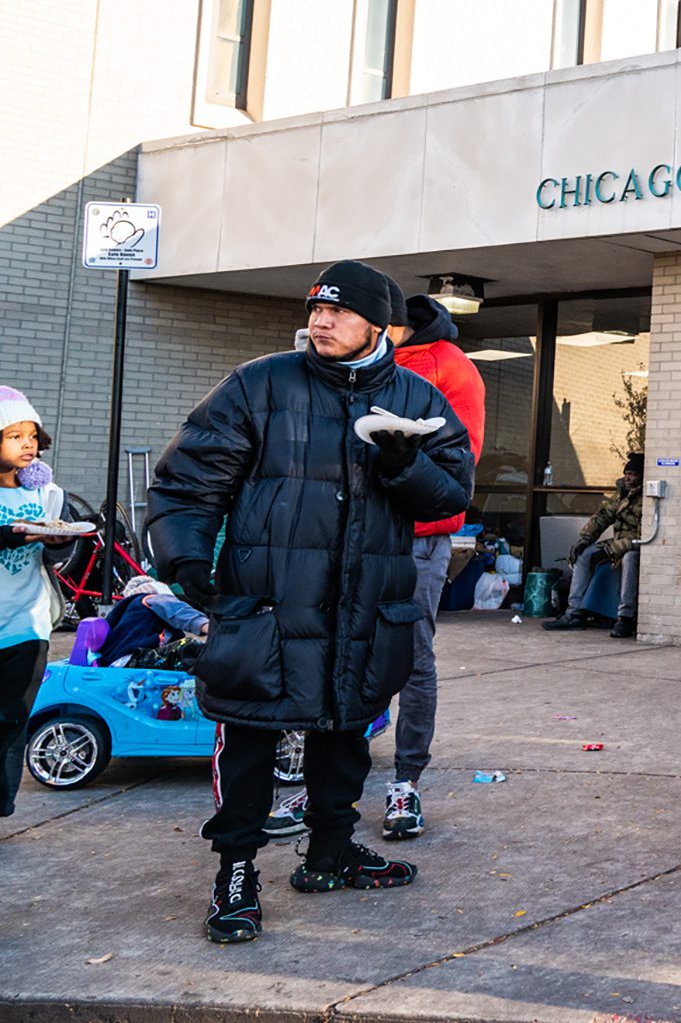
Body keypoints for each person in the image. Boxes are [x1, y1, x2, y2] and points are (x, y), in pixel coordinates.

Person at [145, 260, 473, 945]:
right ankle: (235, 872)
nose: (320, 320)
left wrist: (401, 464)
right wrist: (185, 558)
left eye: (338, 311)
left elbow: (452, 494)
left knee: (346, 728)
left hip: (366, 603)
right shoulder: (261, 384)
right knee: (249, 737)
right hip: (268, 600)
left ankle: (331, 850)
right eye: (315, 309)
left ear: (377, 325)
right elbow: (189, 481)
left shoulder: (416, 397)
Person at [383, 288, 488, 838]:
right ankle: (328, 773)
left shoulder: (453, 369)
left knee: (413, 655)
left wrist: (392, 471)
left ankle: (406, 781)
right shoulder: (363, 362)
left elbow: (457, 466)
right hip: (358, 533)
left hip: (420, 538)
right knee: (343, 652)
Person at [0, 388, 62, 820]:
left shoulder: (46, 491)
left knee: (12, 720)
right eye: (14, 435)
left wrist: (57, 541)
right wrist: (14, 534)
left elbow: (54, 552)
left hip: (28, 622)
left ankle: (2, 804)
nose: (27, 444)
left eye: (32, 436)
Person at [546, 454, 649, 634]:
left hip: (637, 545)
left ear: (641, 476)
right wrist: (585, 539)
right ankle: (574, 613)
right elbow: (602, 517)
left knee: (629, 559)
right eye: (626, 473)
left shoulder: (647, 497)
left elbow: (645, 535)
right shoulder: (620, 494)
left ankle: (625, 617)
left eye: (632, 474)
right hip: (617, 542)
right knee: (584, 555)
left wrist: (613, 550)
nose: (628, 477)